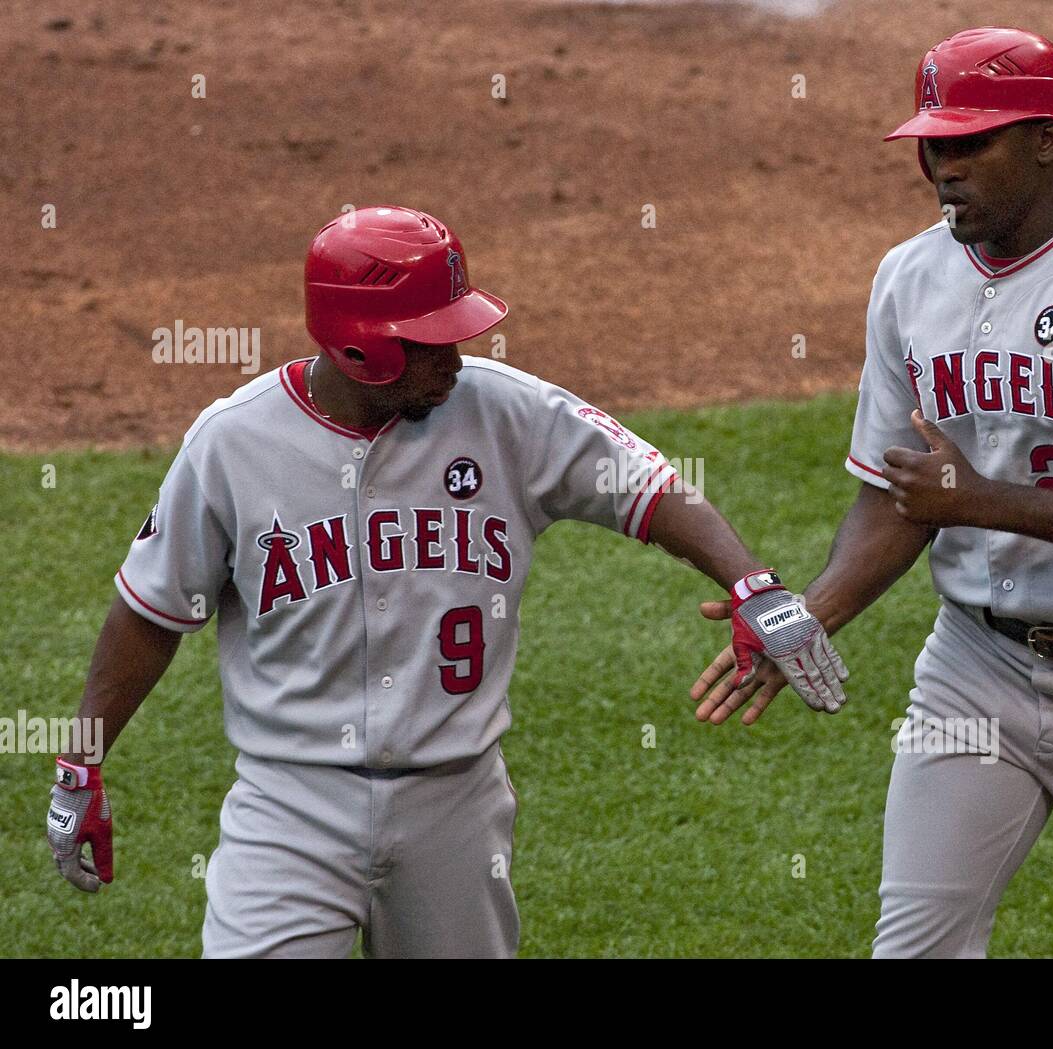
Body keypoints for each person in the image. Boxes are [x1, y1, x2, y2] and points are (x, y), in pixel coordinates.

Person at [47, 205, 848, 958]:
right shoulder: (232, 443)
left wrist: (755, 586)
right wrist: (81, 761)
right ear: (360, 347)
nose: (457, 358)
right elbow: (150, 611)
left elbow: (644, 483)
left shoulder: (503, 411)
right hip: (289, 807)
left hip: (457, 806)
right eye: (432, 341)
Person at [691, 27, 1053, 959]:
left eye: (970, 143)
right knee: (913, 948)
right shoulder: (909, 279)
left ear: (1046, 138)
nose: (944, 167)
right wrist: (811, 615)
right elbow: (896, 493)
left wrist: (982, 500)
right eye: (932, 146)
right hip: (973, 668)